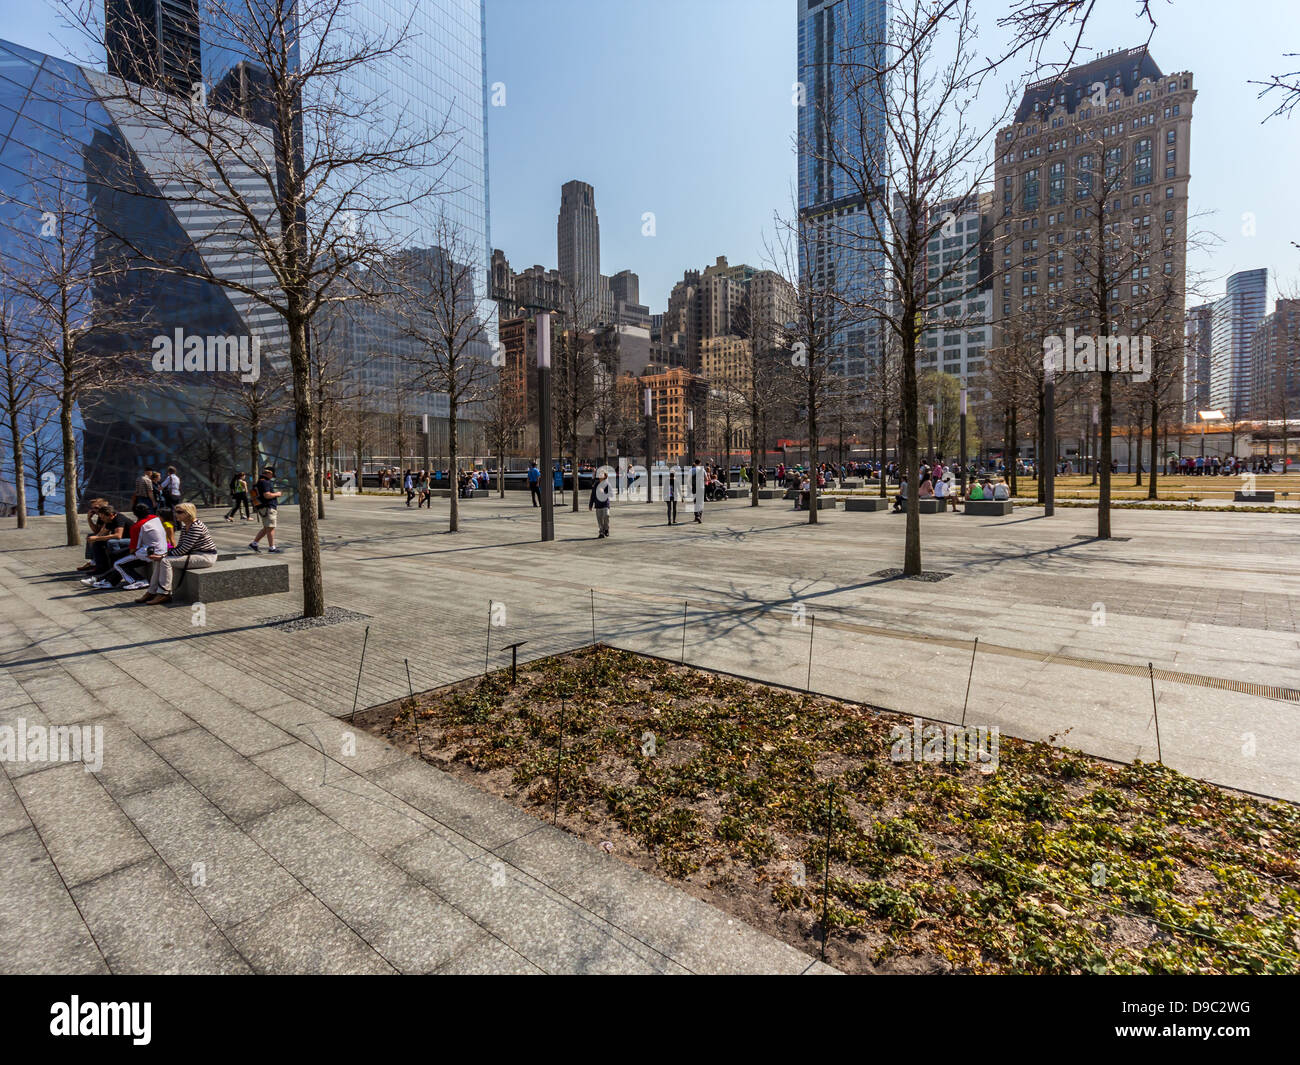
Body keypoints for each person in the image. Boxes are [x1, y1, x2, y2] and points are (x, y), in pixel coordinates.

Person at [139, 503, 219, 605]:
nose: (176, 514)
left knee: (165, 560)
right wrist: (163, 554)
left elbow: (184, 549)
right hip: (193, 554)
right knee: (160, 560)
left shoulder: (196, 526)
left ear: (189, 513)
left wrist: (163, 556)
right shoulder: (186, 526)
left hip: (205, 557)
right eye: (175, 512)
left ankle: (164, 593)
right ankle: (151, 591)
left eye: (179, 512)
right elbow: (180, 546)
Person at [80, 503, 131, 582]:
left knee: (112, 542)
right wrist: (94, 539)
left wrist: (97, 537)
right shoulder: (108, 521)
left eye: (103, 517)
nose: (102, 519)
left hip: (131, 540)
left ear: (110, 515)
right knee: (98, 542)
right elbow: (101, 533)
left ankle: (116, 569)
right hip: (122, 540)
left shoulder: (119, 519)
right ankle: (101, 568)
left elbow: (118, 536)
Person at [248, 467, 281, 552]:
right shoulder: (265, 482)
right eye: (272, 475)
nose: (272, 477)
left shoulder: (259, 482)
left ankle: (254, 544)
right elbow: (267, 495)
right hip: (268, 507)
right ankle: (272, 548)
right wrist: (277, 494)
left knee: (267, 528)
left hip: (263, 507)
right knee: (270, 528)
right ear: (269, 473)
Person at [77, 498, 111, 570]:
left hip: (115, 536)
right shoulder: (100, 516)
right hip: (108, 535)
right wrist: (89, 519)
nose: (93, 510)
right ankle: (93, 561)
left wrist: (96, 537)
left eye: (96, 508)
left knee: (94, 538)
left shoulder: (107, 515)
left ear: (103, 507)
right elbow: (96, 530)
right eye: (92, 508)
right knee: (91, 536)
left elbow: (104, 531)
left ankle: (95, 562)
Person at [588, 468, 611, 537]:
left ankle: (606, 529)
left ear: (605, 475)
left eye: (602, 474)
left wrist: (603, 492)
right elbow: (593, 495)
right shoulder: (596, 484)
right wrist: (590, 504)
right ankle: (601, 532)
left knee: (606, 515)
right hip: (598, 504)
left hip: (605, 504)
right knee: (599, 519)